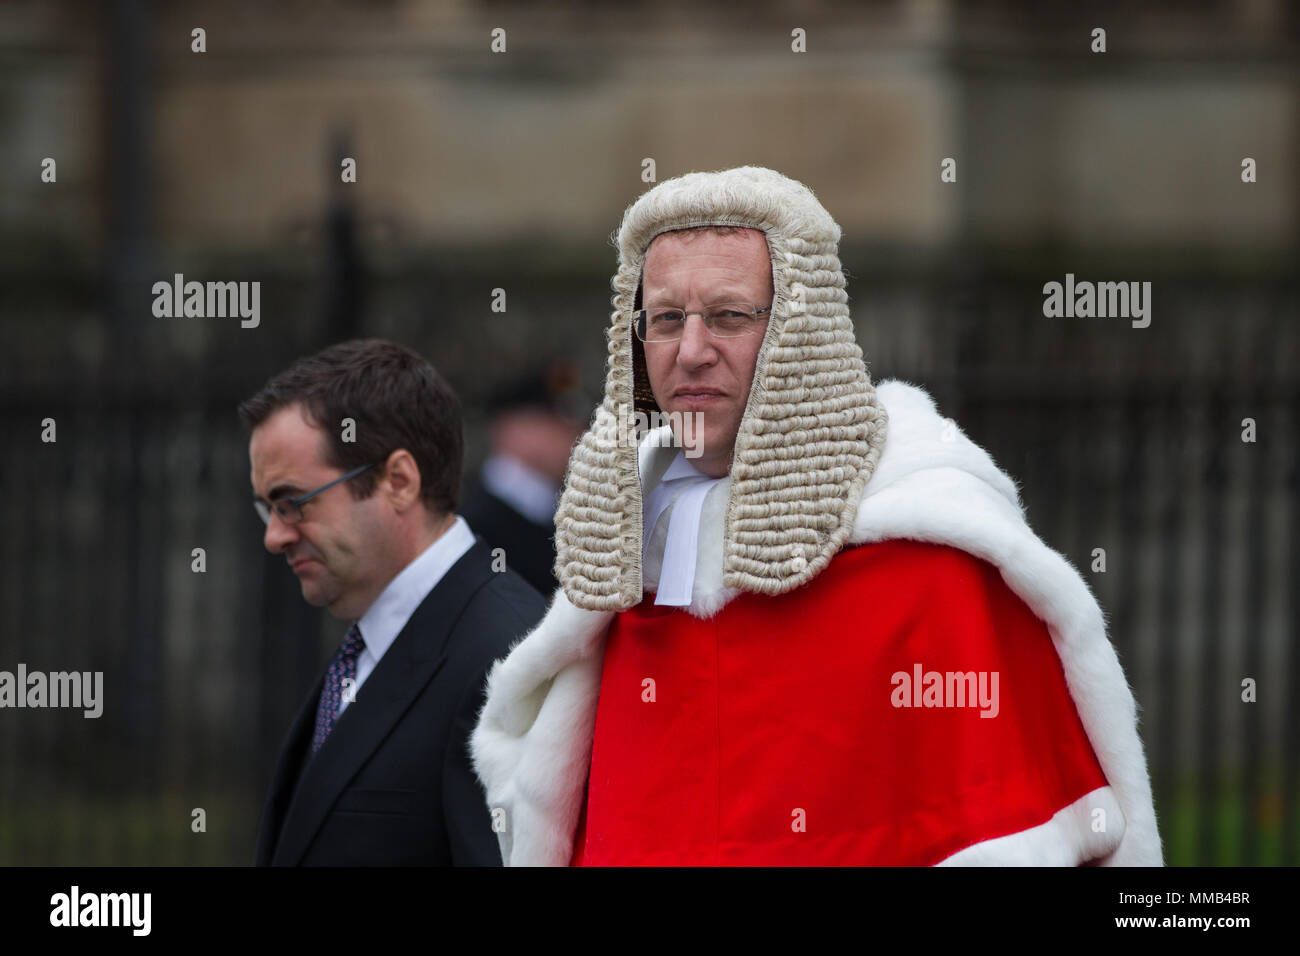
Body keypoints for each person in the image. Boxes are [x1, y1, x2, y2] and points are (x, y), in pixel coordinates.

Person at [470, 166, 1163, 866]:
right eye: (668, 319)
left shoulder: (932, 566)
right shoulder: (623, 555)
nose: (691, 351)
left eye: (730, 315)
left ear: (804, 334)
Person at [242, 338, 546, 865]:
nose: (275, 536)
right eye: (267, 509)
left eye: (293, 504)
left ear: (399, 482)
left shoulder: (507, 657)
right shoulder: (374, 641)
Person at [459, 360, 587, 596]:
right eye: (554, 420)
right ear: (510, 428)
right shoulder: (473, 526)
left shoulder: (563, 515)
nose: (575, 433)